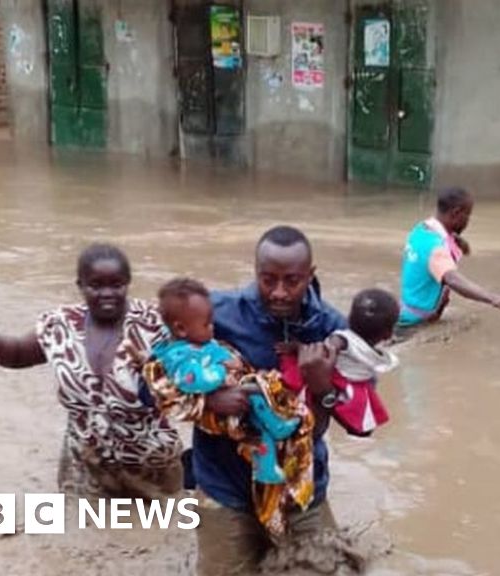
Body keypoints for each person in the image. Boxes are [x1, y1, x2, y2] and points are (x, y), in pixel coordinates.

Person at [149, 226, 359, 573]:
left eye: (292, 281)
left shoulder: (332, 330)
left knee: (336, 568)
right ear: (255, 273)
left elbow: (332, 426)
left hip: (299, 486)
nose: (279, 292)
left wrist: (322, 389)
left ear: (311, 275)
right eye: (268, 280)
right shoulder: (212, 314)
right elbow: (149, 380)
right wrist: (209, 399)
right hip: (226, 485)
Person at [0, 243, 182, 498]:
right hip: (86, 462)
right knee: (85, 531)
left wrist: (155, 371)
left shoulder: (155, 325)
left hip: (151, 463)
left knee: (163, 528)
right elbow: (18, 354)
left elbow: (188, 384)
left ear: (128, 283)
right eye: (95, 285)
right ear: (80, 285)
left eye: (116, 284)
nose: (106, 293)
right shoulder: (60, 325)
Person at [151, 277, 301, 485]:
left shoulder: (198, 337)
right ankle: (277, 426)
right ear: (181, 329)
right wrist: (221, 375)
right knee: (258, 402)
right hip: (223, 436)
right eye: (207, 324)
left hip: (289, 468)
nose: (213, 327)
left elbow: (216, 353)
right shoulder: (179, 355)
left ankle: (266, 468)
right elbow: (192, 381)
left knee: (259, 428)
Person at [279, 287, 400, 436]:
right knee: (359, 419)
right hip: (348, 384)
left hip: (333, 380)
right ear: (388, 334)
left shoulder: (344, 339)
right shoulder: (364, 349)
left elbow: (324, 351)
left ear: (348, 318)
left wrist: (299, 347)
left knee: (291, 383)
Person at [398, 187, 500, 327]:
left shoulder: (421, 229)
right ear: (456, 213)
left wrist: (459, 242)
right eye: (468, 215)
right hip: (414, 323)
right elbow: (453, 280)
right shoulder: (435, 248)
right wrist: (493, 298)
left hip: (408, 311)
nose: (468, 221)